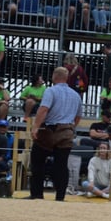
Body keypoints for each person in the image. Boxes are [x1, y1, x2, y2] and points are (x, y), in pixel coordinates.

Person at [28, 66, 83, 201]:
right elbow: (78, 116)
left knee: (37, 161)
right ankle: (60, 197)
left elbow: (43, 109)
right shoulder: (76, 95)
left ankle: (37, 194)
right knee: (61, 165)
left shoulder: (50, 91)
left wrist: (35, 127)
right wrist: (71, 128)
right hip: (67, 130)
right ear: (66, 78)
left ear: (54, 76)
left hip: (50, 130)